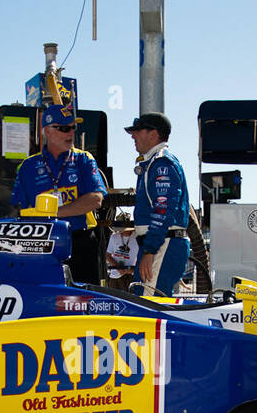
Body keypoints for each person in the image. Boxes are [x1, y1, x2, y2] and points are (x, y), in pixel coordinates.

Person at [11, 104, 107, 284]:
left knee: (82, 301)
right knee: (43, 297)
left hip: (79, 241)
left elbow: (96, 199)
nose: (70, 133)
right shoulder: (28, 166)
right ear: (48, 131)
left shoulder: (83, 159)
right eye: (64, 128)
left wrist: (54, 212)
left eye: (73, 127)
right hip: (41, 243)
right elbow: (18, 210)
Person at [124, 112, 190, 297]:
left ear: (153, 134)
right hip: (162, 243)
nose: (133, 136)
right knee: (148, 303)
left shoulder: (161, 163)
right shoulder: (155, 162)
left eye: (137, 131)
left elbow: (163, 210)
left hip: (162, 244)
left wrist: (150, 250)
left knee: (149, 308)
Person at [106, 216, 138, 289]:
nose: (119, 231)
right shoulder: (113, 236)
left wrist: (131, 271)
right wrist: (118, 268)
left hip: (131, 276)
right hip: (114, 276)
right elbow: (108, 255)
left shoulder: (137, 237)